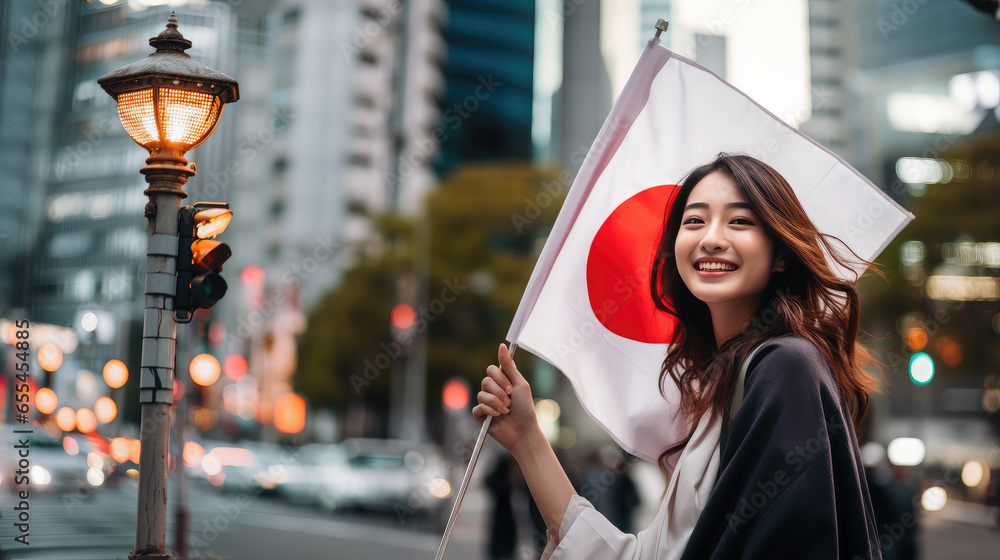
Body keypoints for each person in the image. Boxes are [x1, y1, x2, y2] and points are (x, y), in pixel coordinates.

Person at [472, 153, 885, 559]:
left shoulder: (784, 366)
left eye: (739, 221)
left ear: (780, 254)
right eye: (695, 221)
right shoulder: (727, 389)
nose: (711, 238)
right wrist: (526, 439)